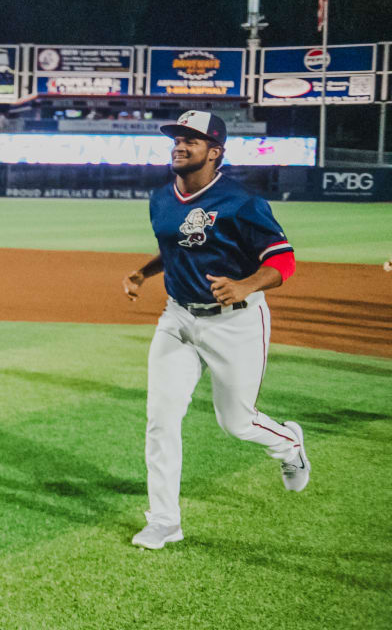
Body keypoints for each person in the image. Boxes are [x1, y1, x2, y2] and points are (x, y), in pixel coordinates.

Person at [121, 110, 308, 550]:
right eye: (177, 138)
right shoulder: (161, 198)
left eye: (192, 140)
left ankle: (288, 445)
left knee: (236, 422)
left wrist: (244, 284)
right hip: (178, 319)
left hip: (237, 323)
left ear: (215, 151)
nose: (180, 145)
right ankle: (165, 520)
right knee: (161, 420)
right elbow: (177, 246)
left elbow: (283, 261)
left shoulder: (241, 202)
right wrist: (143, 273)